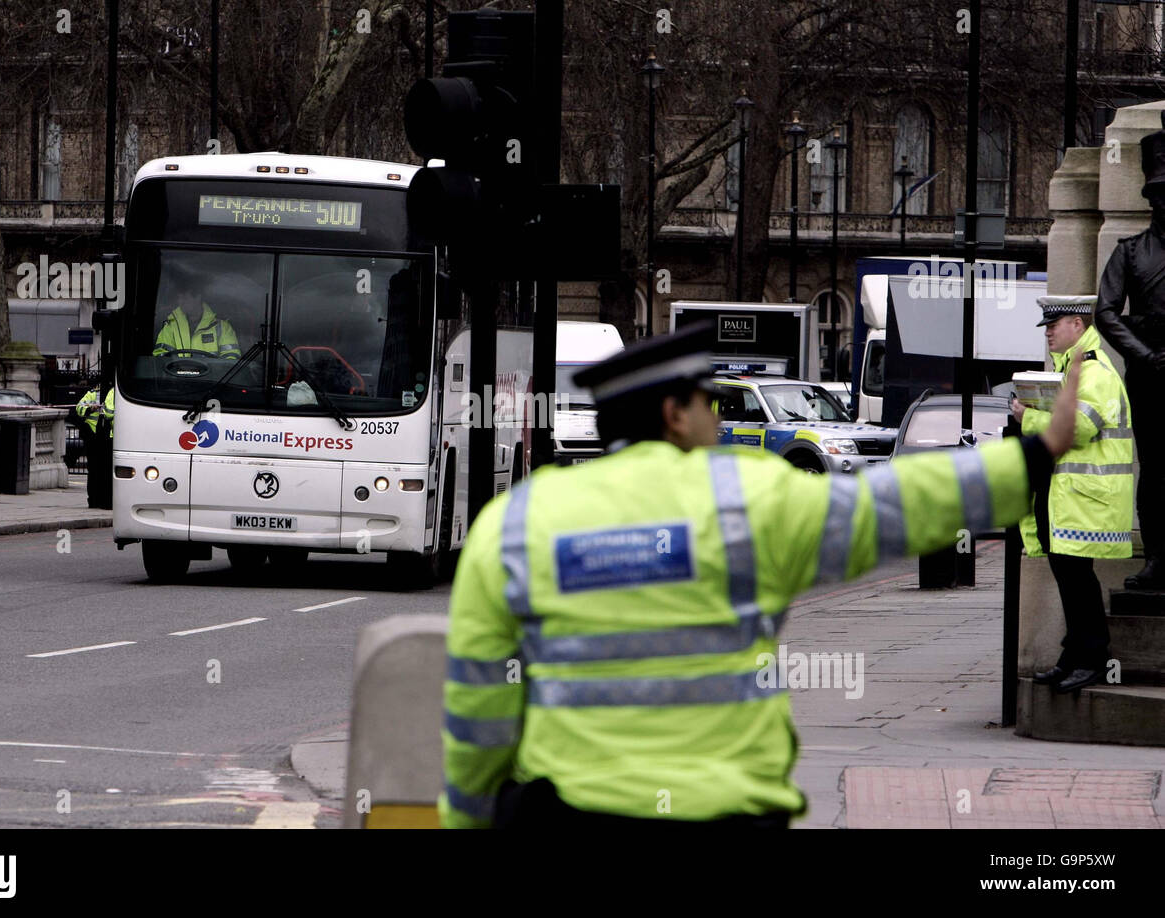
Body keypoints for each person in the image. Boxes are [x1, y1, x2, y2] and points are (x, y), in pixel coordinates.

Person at [440, 324, 1082, 829]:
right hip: (728, 813)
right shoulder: (744, 498)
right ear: (673, 414)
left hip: (572, 813)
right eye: (708, 405)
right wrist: (1031, 454)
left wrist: (466, 818)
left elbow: (479, 707)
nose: (718, 422)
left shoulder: (518, 522)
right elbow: (890, 507)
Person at [1011, 300, 1132, 694]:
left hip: (1086, 497)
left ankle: (1092, 659)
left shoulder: (1094, 371)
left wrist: (1027, 417)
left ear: (1077, 324)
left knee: (1077, 578)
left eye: (1054, 325)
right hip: (1068, 496)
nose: (1047, 332)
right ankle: (1074, 654)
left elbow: (1078, 428)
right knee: (1069, 577)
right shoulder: (1071, 369)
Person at [1095, 114, 1165, 590]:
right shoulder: (1131, 251)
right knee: (1156, 469)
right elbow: (1105, 311)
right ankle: (1158, 556)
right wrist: (1144, 355)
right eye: (1159, 193)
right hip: (1150, 375)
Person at [152, 289, 240, 360]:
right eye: (179, 298)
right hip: (177, 381)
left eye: (185, 298)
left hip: (213, 381)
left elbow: (231, 358)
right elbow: (160, 357)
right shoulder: (170, 325)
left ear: (198, 297)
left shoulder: (223, 327)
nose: (180, 302)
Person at [75, 383, 114, 510]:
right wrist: (90, 408)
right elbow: (79, 408)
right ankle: (94, 501)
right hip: (94, 435)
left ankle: (101, 501)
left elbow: (108, 413)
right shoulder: (93, 393)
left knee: (103, 470)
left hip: (107, 436)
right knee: (94, 470)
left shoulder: (113, 392)